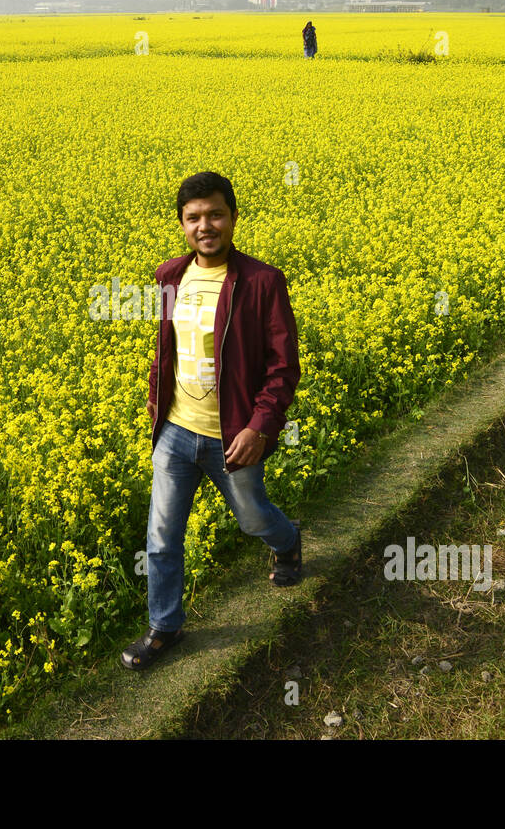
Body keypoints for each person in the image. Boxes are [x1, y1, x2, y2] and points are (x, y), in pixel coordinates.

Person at [121, 171, 303, 671]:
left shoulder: (263, 282)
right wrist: (156, 404)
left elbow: (282, 366)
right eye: (194, 217)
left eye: (215, 214)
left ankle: (287, 541)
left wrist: (259, 426)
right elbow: (167, 351)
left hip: (232, 436)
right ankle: (165, 627)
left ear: (233, 217)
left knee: (252, 518)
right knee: (161, 538)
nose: (206, 225)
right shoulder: (169, 276)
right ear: (182, 224)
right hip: (175, 433)